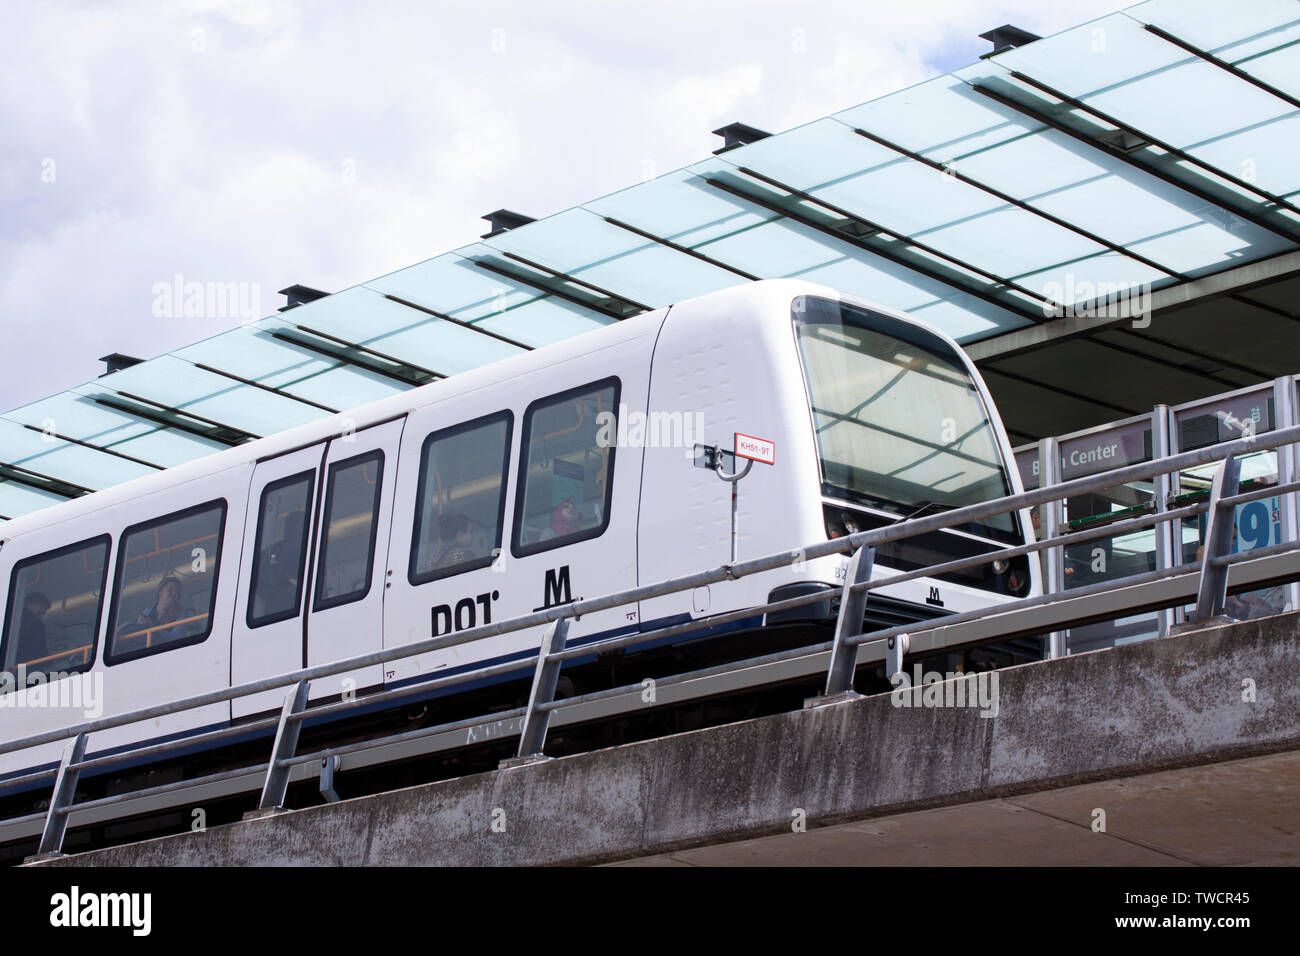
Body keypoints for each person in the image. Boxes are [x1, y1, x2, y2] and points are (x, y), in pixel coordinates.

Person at [122, 576, 191, 644]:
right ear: (160, 592)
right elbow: (137, 635)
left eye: (177, 591)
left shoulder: (182, 616)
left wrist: (152, 627)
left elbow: (176, 639)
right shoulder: (147, 612)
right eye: (170, 589)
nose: (174, 593)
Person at [14, 591, 52, 665]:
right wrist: (50, 664)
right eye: (43, 608)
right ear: (33, 604)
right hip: (30, 668)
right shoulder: (36, 624)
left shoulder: (14, 620)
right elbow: (37, 649)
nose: (43, 612)